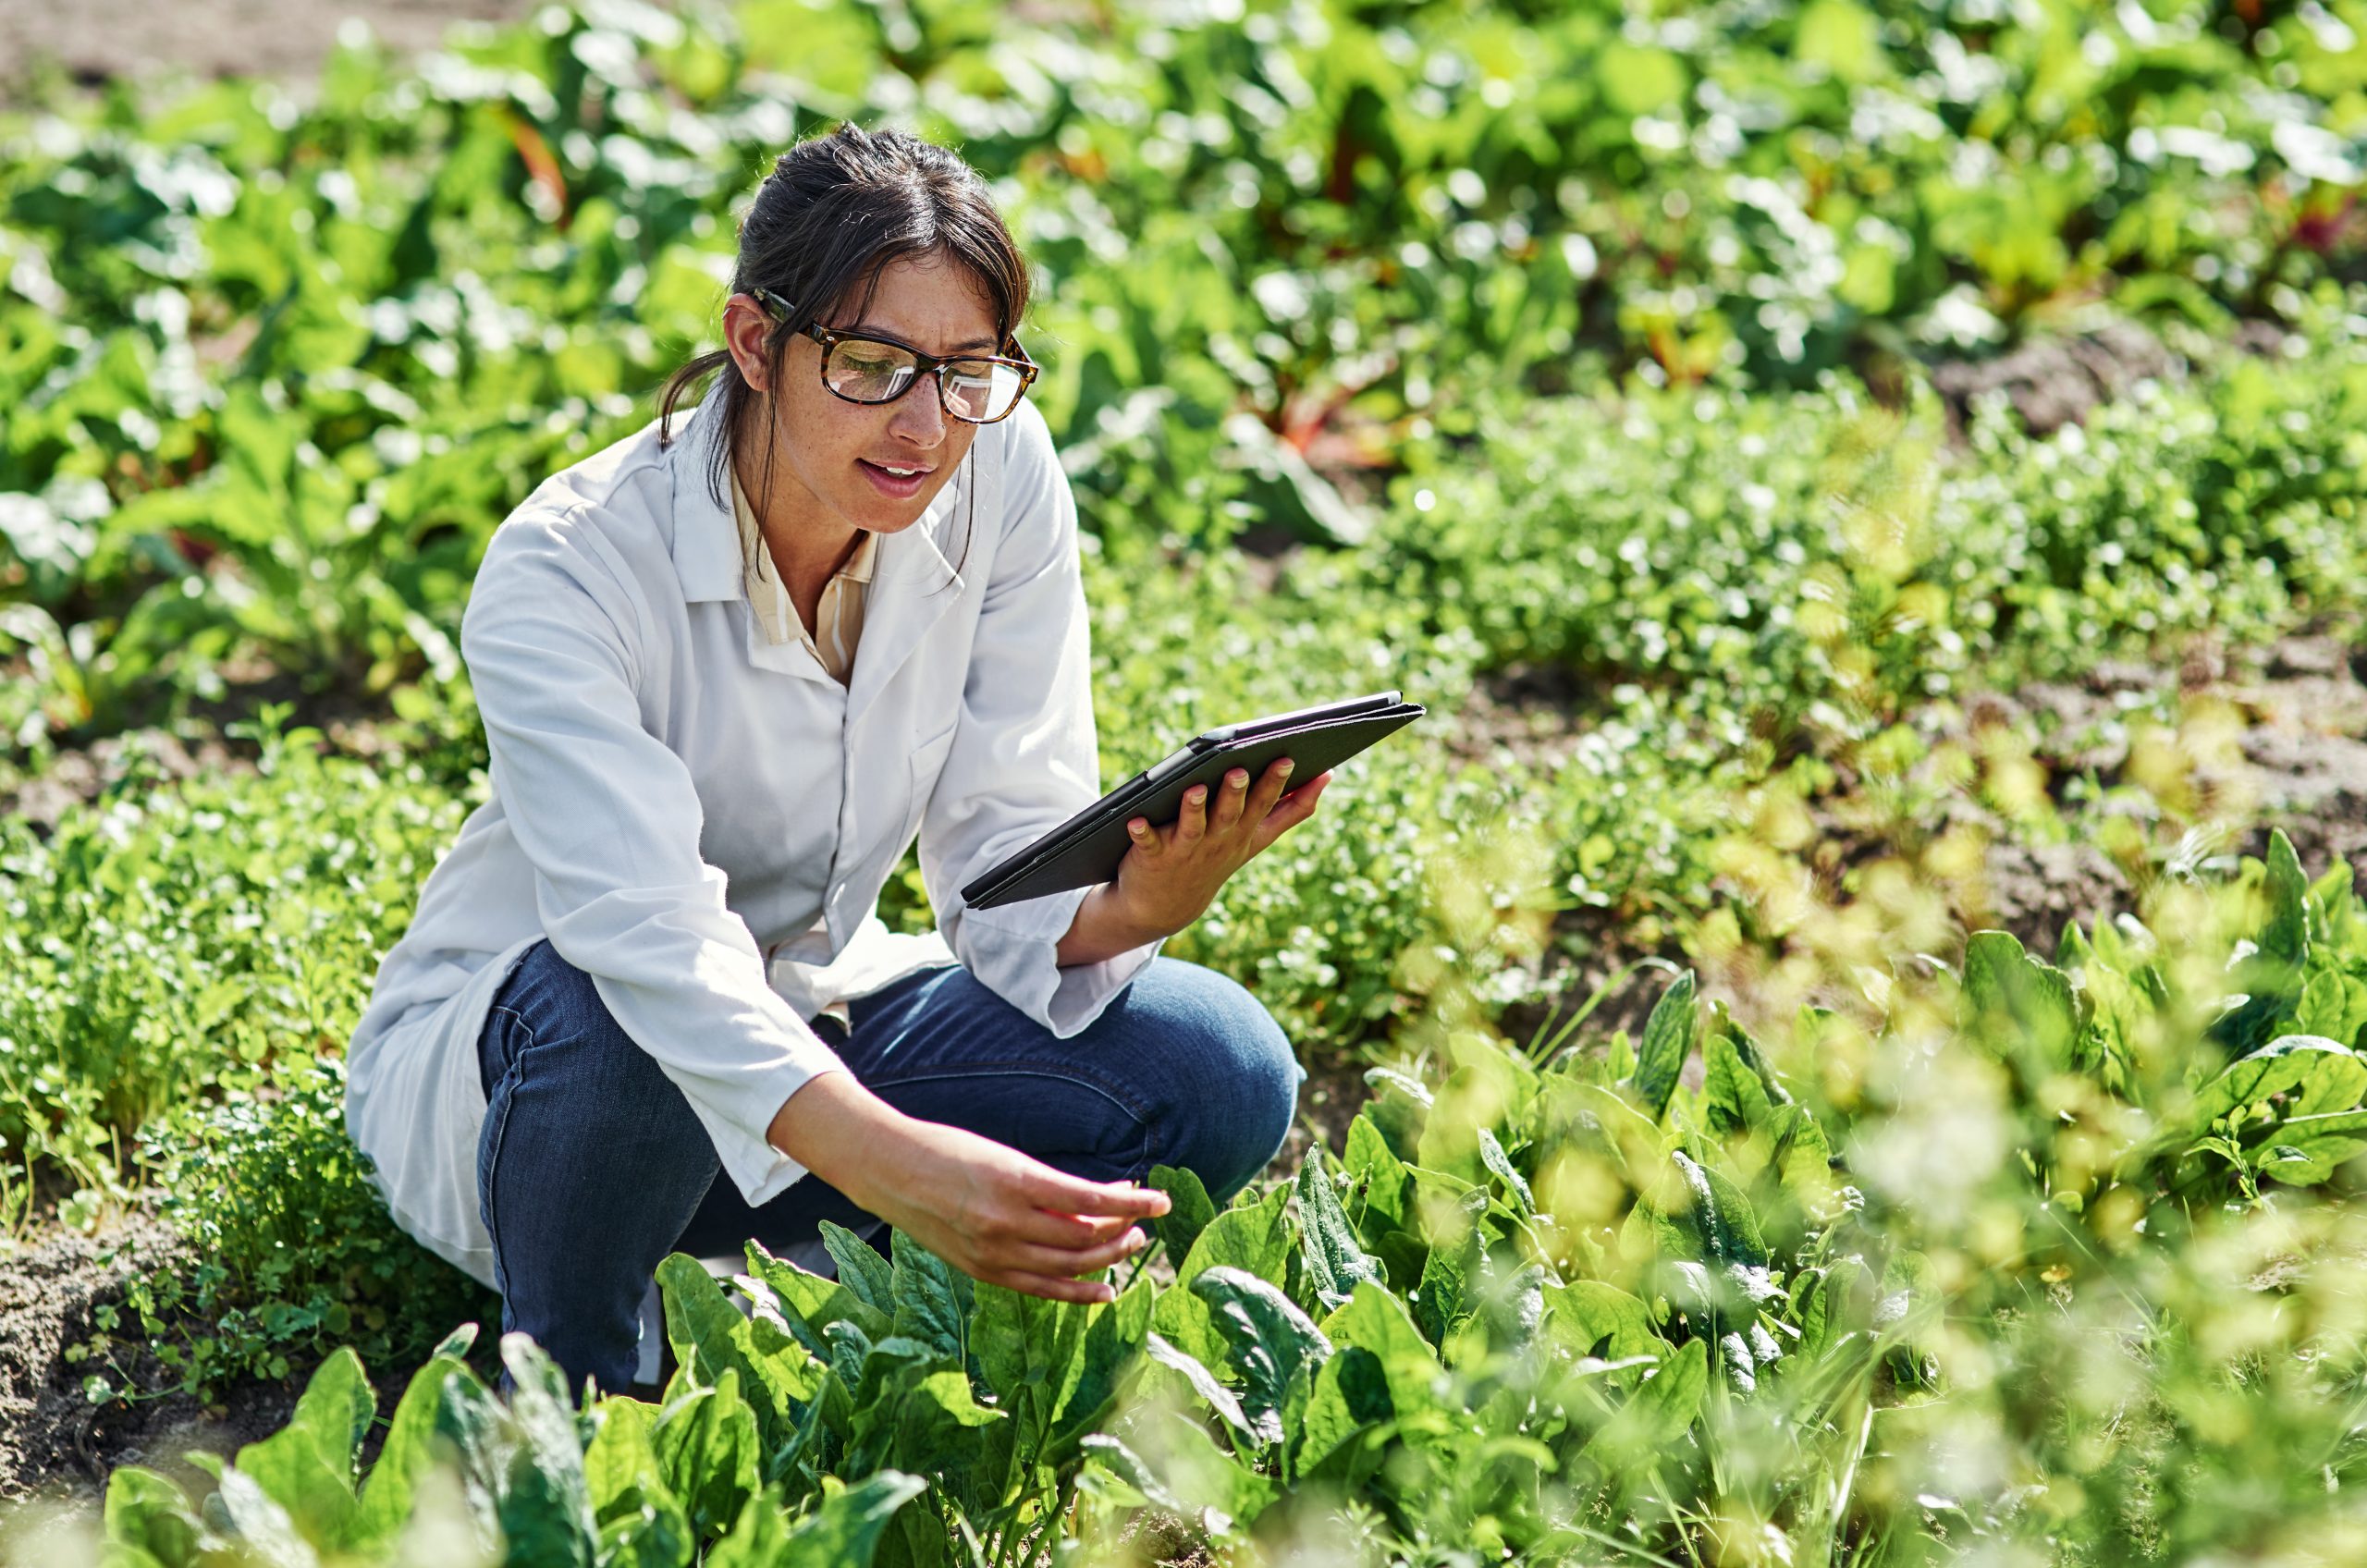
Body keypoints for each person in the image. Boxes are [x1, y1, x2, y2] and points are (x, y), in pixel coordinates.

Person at [342, 124, 1329, 1399]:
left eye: (969, 371)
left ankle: (833, 1289)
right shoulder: (570, 565)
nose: (925, 425)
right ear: (756, 343)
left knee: (1217, 1066)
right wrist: (909, 1166)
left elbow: (1005, 844)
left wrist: (1147, 898)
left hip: (817, 1012)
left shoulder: (997, 472)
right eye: (872, 365)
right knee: (624, 1010)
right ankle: (585, 1375)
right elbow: (649, 940)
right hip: (544, 1080)